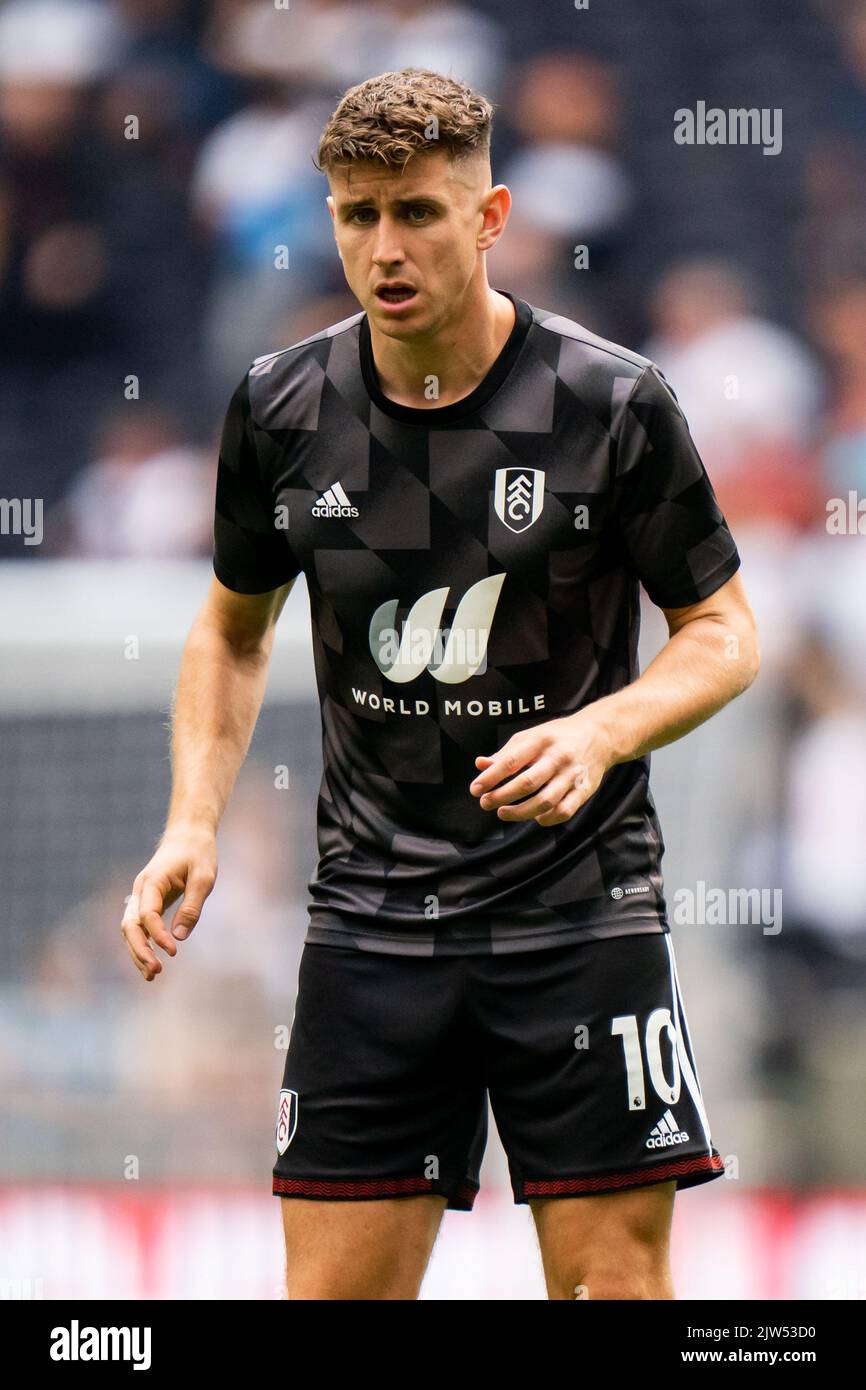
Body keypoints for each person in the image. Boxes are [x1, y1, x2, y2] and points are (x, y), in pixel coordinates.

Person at [121, 67, 760, 1300]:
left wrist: (605, 729)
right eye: (355, 215)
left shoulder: (611, 403)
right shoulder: (280, 406)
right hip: (370, 920)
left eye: (416, 210)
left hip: (577, 915)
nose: (383, 246)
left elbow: (721, 628)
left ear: (490, 215)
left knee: (610, 1292)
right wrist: (191, 820)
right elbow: (232, 631)